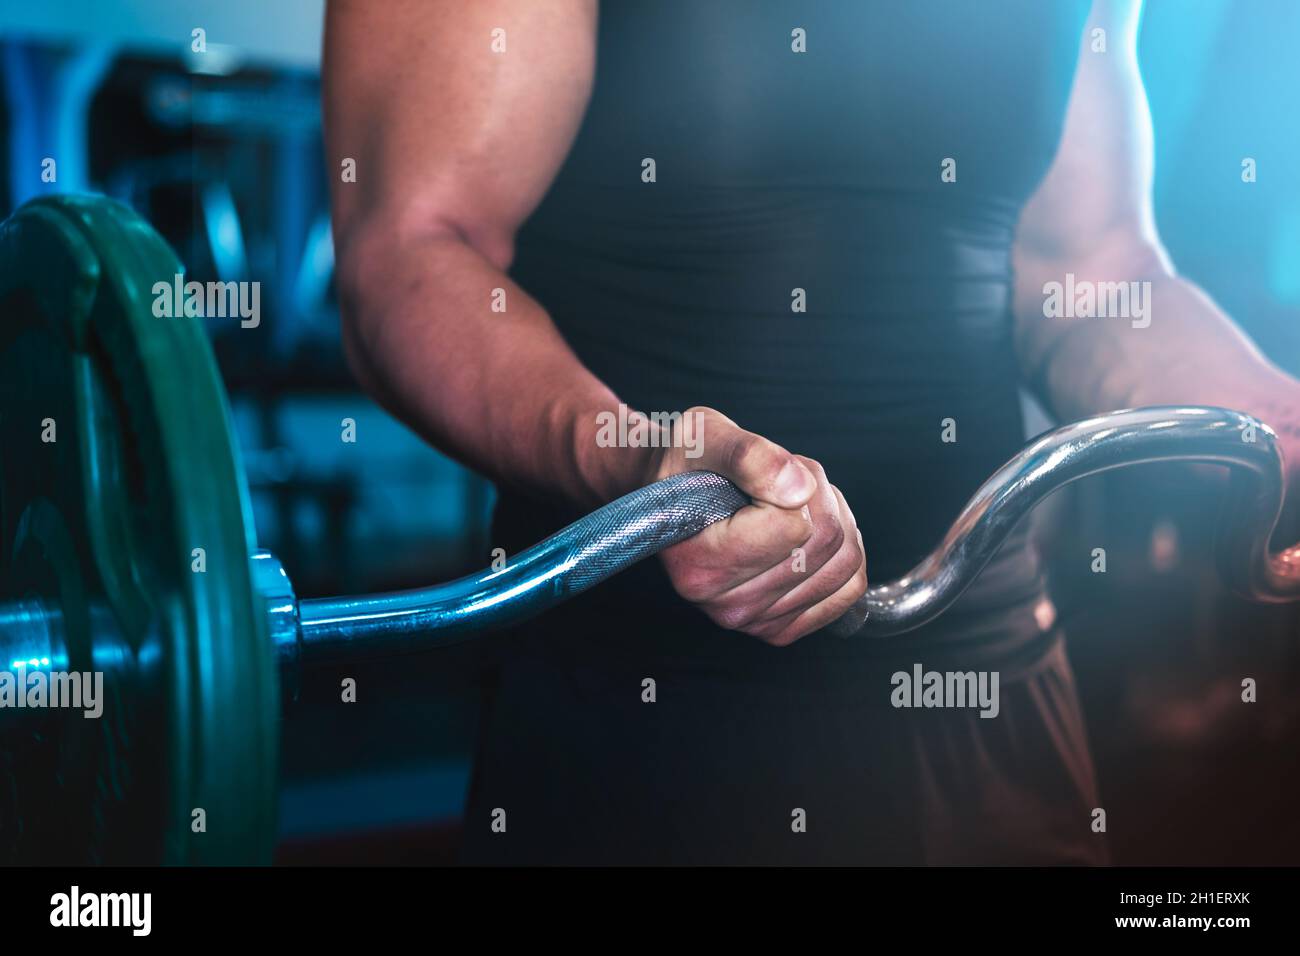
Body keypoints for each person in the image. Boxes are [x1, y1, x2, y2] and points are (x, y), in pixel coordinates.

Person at [322, 0, 1300, 863]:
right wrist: (640, 462)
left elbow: (1086, 266)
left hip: (990, 674)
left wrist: (1276, 420)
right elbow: (409, 251)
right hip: (649, 706)